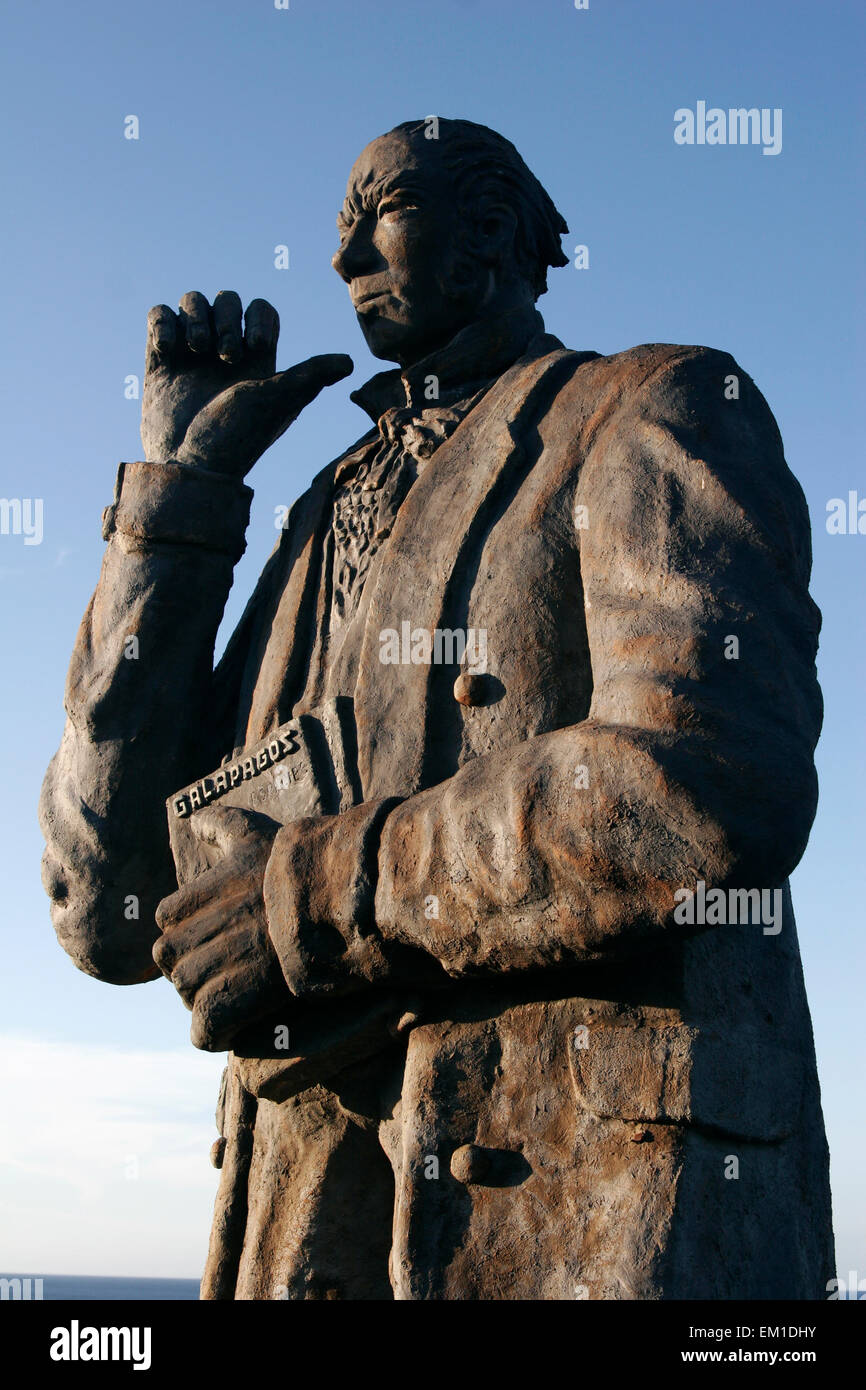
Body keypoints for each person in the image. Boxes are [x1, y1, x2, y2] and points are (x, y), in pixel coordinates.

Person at [40, 118, 834, 1300]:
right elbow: (110, 907)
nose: (344, 255)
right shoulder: (315, 516)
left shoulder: (648, 406)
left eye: (384, 211)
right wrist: (183, 497)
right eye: (338, 228)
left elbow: (706, 780)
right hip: (306, 1240)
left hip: (580, 1225)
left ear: (495, 232)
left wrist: (309, 898)